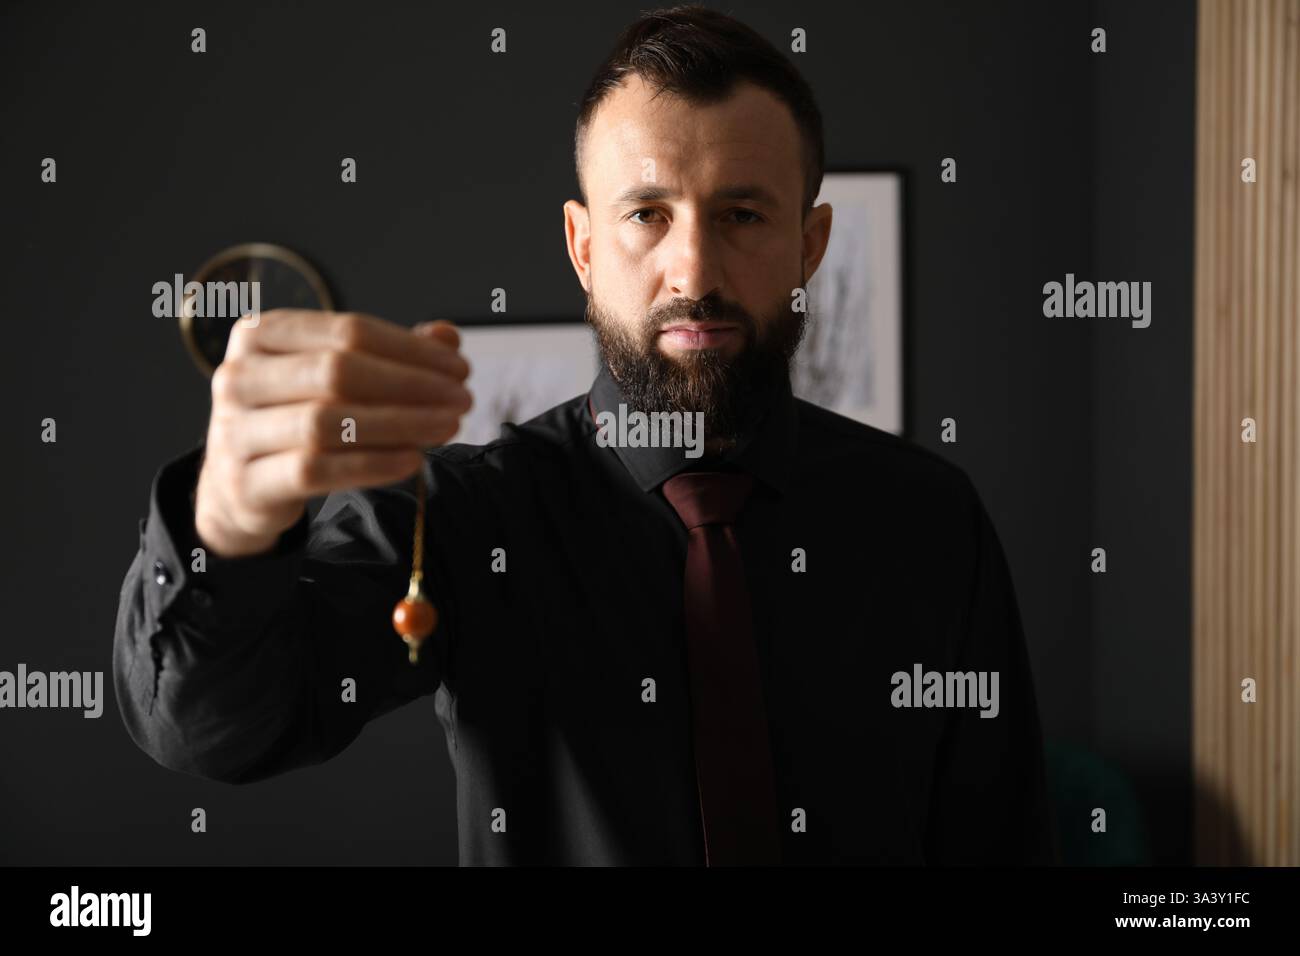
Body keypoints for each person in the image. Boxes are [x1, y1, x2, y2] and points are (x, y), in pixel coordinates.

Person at [113, 4, 1057, 866]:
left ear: (809, 245)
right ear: (585, 247)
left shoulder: (932, 521)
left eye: (741, 214)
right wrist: (227, 527)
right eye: (647, 214)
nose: (694, 269)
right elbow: (212, 730)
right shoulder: (462, 518)